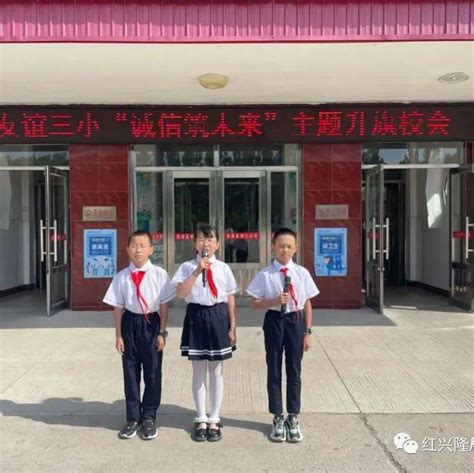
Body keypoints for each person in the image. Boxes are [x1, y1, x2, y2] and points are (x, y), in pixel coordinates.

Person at [246, 227, 319, 443]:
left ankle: (293, 416)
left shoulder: (301, 273)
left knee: (294, 370)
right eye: (280, 246)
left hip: (295, 321)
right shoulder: (265, 274)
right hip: (274, 320)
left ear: (295, 248)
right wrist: (274, 301)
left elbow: (307, 303)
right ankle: (277, 416)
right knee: (274, 369)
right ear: (273, 247)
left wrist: (308, 331)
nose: (284, 250)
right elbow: (254, 303)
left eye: (289, 246)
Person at [103, 230, 174, 440]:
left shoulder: (160, 275)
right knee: (130, 372)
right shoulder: (122, 276)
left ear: (151, 249)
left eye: (143, 245)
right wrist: (118, 335)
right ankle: (133, 418)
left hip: (151, 324)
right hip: (130, 323)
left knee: (153, 372)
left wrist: (162, 333)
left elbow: (164, 307)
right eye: (134, 245)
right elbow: (117, 307)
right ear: (127, 250)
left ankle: (149, 416)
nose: (138, 250)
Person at [172, 223, 238, 443]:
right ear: (194, 244)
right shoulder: (186, 267)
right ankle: (200, 417)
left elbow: (230, 297)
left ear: (217, 244)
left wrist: (232, 325)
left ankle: (215, 418)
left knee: (217, 370)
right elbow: (180, 294)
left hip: (218, 315)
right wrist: (197, 271)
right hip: (196, 315)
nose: (205, 244)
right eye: (201, 239)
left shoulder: (224, 268)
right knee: (198, 370)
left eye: (210, 240)